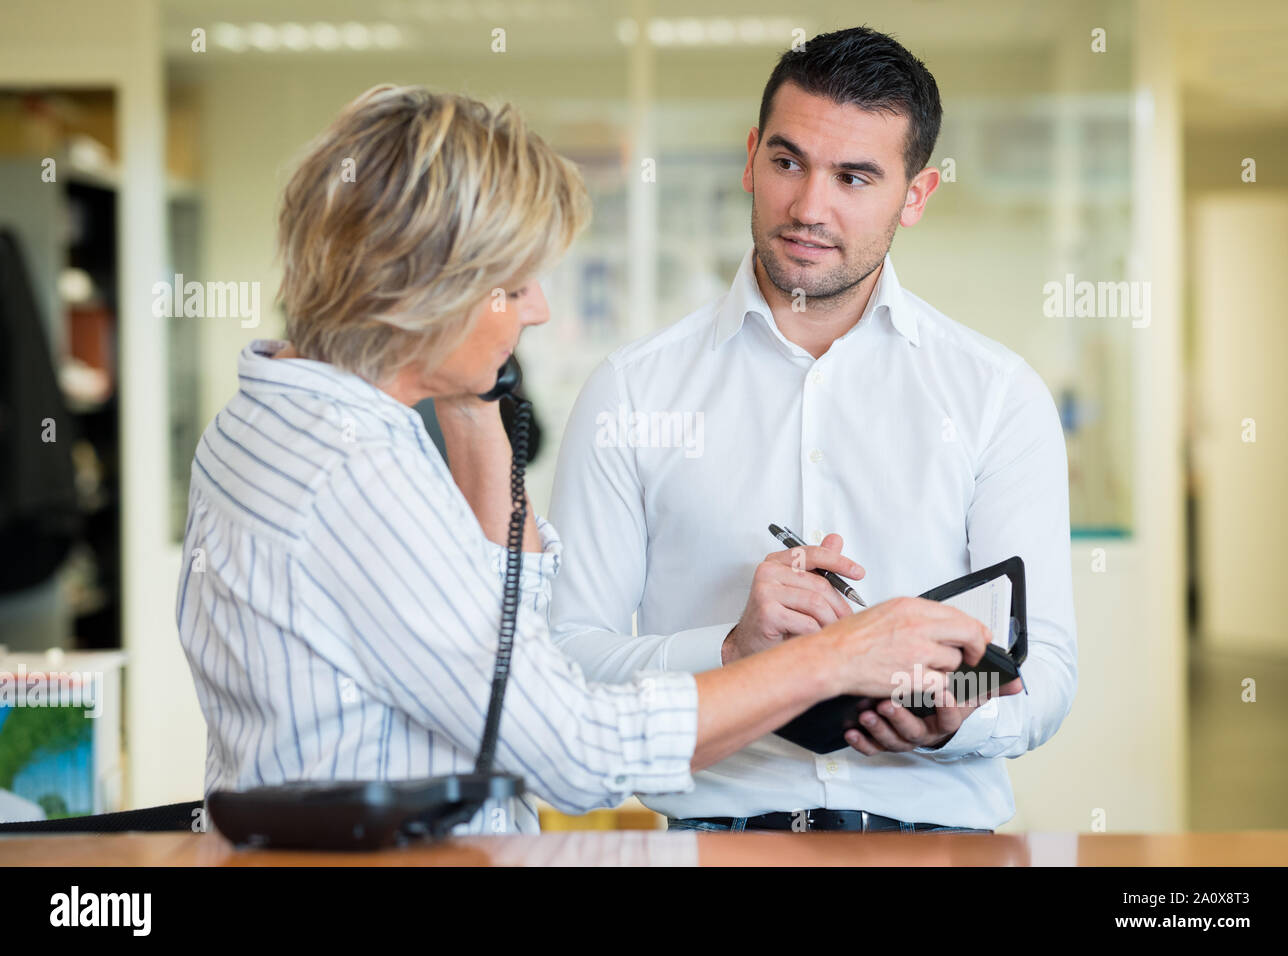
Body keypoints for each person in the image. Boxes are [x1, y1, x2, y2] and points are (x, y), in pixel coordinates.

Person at [174, 84, 993, 835]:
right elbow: (577, 750)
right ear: (421, 288)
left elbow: (509, 633)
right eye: (514, 282)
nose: (539, 307)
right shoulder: (356, 478)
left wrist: (472, 400)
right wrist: (833, 657)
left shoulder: (273, 414)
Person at [549, 27, 1075, 833]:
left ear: (916, 195)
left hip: (936, 842)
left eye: (855, 177)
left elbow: (1044, 676)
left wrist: (955, 713)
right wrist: (728, 651)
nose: (808, 207)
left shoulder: (996, 395)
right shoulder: (632, 389)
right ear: (752, 155)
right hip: (716, 841)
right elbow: (566, 663)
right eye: (788, 162)